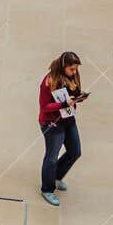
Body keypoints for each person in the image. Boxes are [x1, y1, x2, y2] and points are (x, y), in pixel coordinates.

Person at [38, 52, 86, 206]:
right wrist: (64, 104)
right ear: (63, 66)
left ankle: (55, 176)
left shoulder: (73, 76)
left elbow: (74, 93)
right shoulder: (48, 82)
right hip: (52, 123)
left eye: (76, 69)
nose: (75, 72)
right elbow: (45, 106)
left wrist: (79, 97)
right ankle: (47, 189)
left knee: (75, 151)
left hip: (68, 119)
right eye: (72, 69)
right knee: (52, 158)